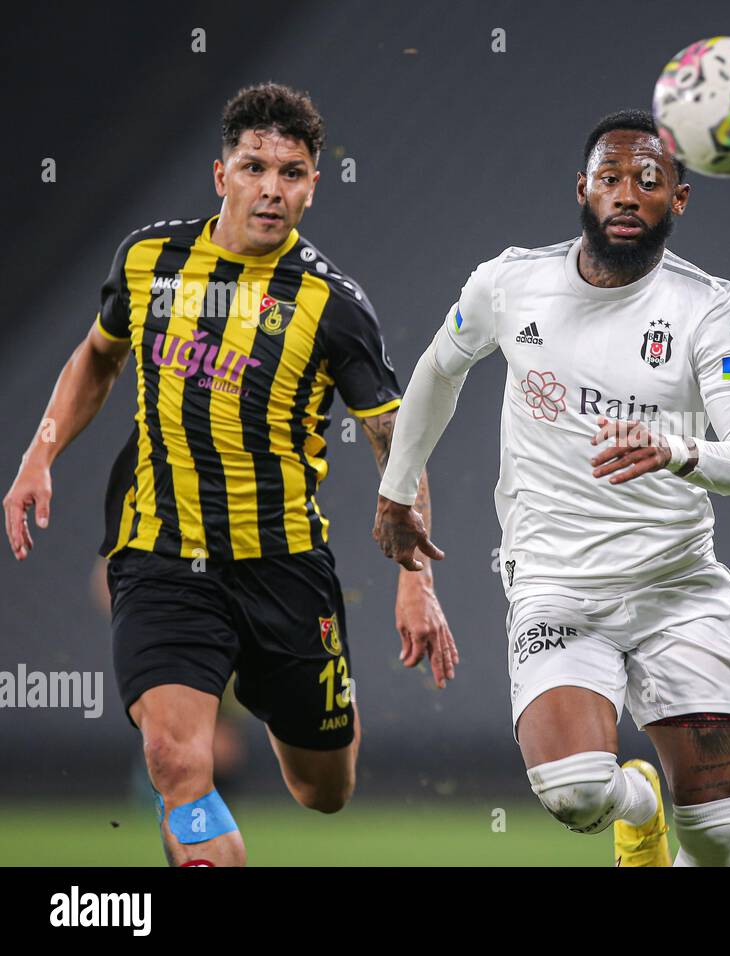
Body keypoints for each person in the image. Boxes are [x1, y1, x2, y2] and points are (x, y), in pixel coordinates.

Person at [2, 82, 456, 866]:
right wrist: (39, 452)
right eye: (254, 167)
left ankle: (273, 693)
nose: (271, 189)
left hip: (282, 567)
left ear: (314, 185)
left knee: (324, 790)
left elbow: (398, 443)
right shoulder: (149, 261)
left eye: (292, 172)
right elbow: (97, 356)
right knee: (178, 763)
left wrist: (417, 581)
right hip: (161, 555)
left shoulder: (334, 305)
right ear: (222, 176)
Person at [374, 109, 730, 866]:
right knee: (576, 793)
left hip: (677, 588)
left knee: (717, 835)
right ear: (582, 190)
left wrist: (675, 450)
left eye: (650, 181)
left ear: (680, 200)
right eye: (611, 179)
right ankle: (639, 804)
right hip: (556, 584)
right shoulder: (510, 284)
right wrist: (398, 491)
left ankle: (684, 823)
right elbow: (436, 370)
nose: (628, 195)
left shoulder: (708, 308)